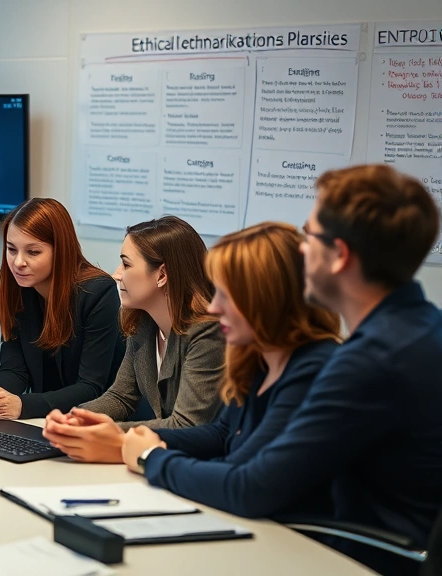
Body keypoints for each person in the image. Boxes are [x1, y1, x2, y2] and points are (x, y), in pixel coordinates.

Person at [124, 165, 442, 576]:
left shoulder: (368, 361)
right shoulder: (417, 328)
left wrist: (151, 458)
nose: (301, 249)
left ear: (339, 255)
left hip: (357, 559)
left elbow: (253, 487)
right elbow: (232, 442)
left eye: (309, 236)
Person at [118, 223, 340, 517]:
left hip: (306, 539)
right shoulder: (256, 358)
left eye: (226, 294)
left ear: (265, 298)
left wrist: (150, 457)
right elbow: (223, 434)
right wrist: (127, 438)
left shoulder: (316, 371)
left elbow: (246, 483)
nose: (215, 307)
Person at [41, 216, 225, 462]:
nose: (117, 275)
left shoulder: (207, 333)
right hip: (162, 458)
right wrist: (76, 418)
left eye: (126, 265)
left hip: (203, 466)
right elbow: (121, 397)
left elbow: (186, 424)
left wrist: (108, 434)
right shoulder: (142, 323)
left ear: (162, 274)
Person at [0, 198, 124, 419]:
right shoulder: (16, 288)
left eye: (33, 252)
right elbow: (14, 369)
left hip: (99, 422)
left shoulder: (98, 292)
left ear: (60, 251)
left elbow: (91, 387)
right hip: (45, 421)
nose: (18, 262)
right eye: (11, 249)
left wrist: (22, 405)